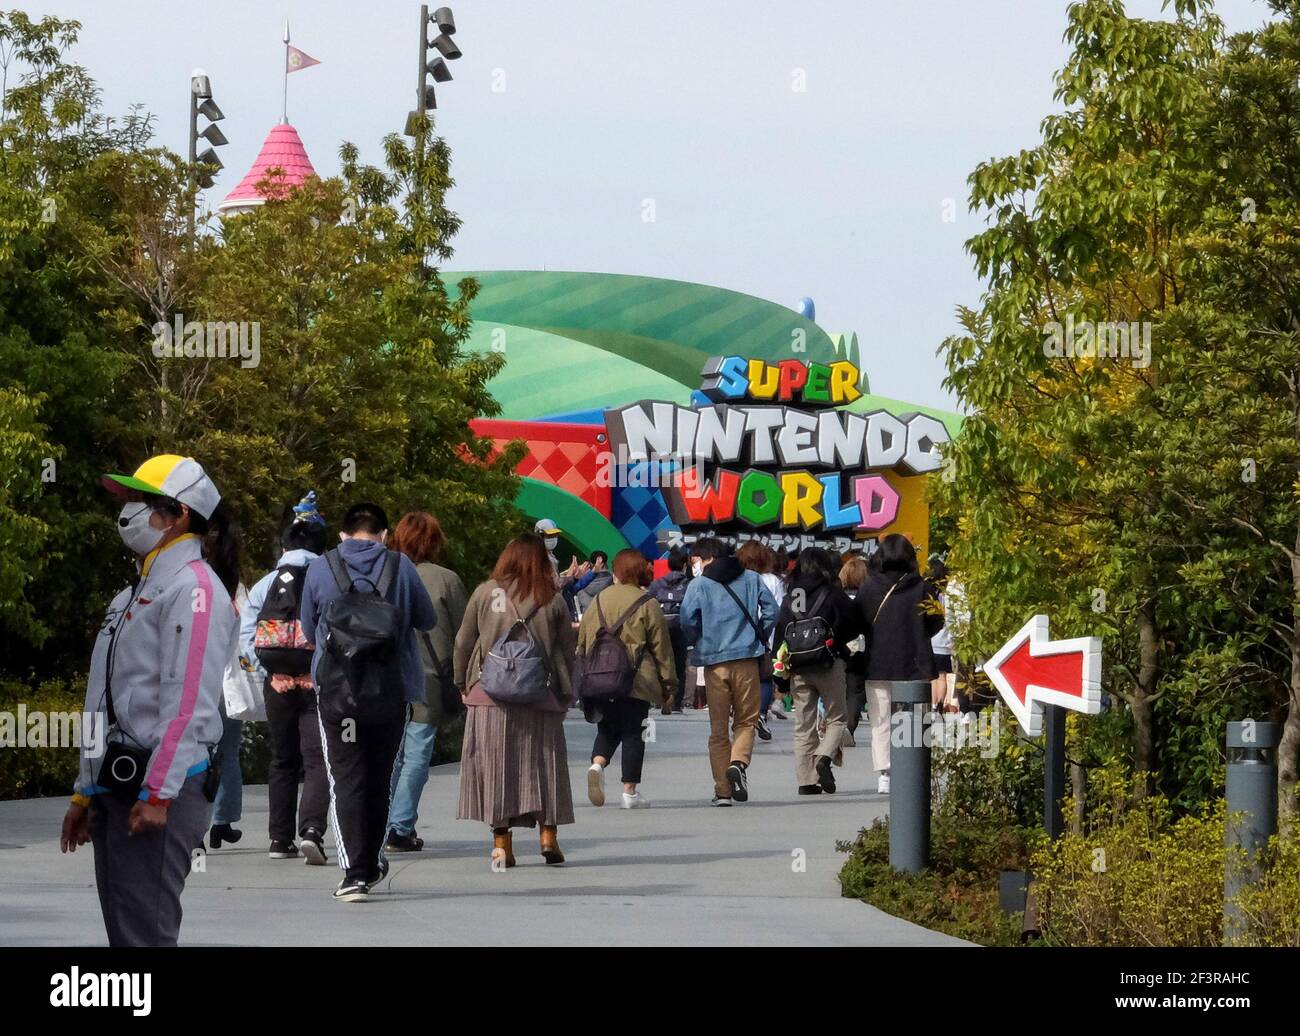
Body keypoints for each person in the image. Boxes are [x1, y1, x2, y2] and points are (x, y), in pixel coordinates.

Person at [61, 455, 240, 947]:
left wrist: (158, 793)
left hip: (160, 786)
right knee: (126, 930)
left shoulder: (195, 590)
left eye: (142, 500)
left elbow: (188, 703)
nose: (130, 511)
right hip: (116, 784)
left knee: (146, 934)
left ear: (179, 513)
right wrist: (85, 789)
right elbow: (100, 698)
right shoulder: (134, 593)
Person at [299, 502, 435, 902]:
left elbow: (309, 628)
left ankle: (354, 873)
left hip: (339, 696)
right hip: (390, 693)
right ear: (385, 534)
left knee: (346, 779)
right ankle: (369, 862)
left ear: (343, 535)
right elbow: (426, 620)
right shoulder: (402, 566)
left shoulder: (321, 567)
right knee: (379, 780)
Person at [454, 532, 577, 866]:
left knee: (496, 769)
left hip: (489, 694)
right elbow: (567, 651)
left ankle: (501, 845)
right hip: (541, 694)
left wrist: (462, 682)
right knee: (545, 767)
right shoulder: (551, 597)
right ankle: (548, 837)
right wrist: (567, 693)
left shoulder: (485, 592)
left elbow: (464, 641)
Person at [239, 491, 330, 863]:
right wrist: (316, 675)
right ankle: (311, 830)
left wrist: (270, 673)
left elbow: (245, 640)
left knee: (282, 759)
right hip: (314, 684)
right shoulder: (327, 579)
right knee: (317, 760)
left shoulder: (265, 583)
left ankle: (279, 840)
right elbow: (335, 633)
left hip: (276, 683)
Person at [384, 511, 468, 853]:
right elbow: (465, 634)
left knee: (389, 754)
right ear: (434, 542)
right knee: (417, 753)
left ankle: (384, 821)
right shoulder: (446, 579)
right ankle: (399, 827)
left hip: (384, 678)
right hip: (429, 679)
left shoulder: (381, 574)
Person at [679, 537, 777, 806]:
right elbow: (772, 610)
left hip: (714, 662)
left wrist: (700, 638)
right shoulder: (751, 578)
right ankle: (738, 763)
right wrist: (760, 635)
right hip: (747, 658)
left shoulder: (698, 584)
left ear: (707, 558)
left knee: (718, 729)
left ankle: (722, 791)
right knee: (746, 720)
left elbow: (687, 619)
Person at [577, 549, 677, 809]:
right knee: (634, 732)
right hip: (636, 679)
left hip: (600, 677)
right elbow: (661, 649)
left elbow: (583, 642)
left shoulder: (599, 600)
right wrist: (669, 685)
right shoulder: (647, 602)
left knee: (607, 727)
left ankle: (597, 764)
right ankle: (629, 792)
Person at [854, 534, 944, 794]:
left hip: (878, 661)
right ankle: (912, 771)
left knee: (880, 720)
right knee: (913, 720)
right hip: (915, 662)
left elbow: (858, 620)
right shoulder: (921, 587)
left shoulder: (870, 587)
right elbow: (937, 621)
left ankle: (885, 773)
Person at [774, 548, 863, 795]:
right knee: (836, 718)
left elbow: (781, 631)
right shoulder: (832, 593)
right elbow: (853, 626)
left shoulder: (792, 595)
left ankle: (806, 781)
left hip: (798, 666)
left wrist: (779, 672)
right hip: (828, 663)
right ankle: (824, 756)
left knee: (804, 724)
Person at [736, 539, 784, 742]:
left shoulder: (736, 579)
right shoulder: (773, 581)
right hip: (766, 637)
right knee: (764, 678)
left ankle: (741, 714)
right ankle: (761, 714)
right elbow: (777, 609)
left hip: (739, 636)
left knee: (741, 678)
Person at [647, 546, 692, 713]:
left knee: (661, 663)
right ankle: (677, 703)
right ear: (684, 564)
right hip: (681, 629)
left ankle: (662, 698)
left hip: (661, 628)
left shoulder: (657, 584)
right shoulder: (690, 585)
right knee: (680, 666)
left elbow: (649, 606)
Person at [839, 554, 870, 750]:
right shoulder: (866, 597)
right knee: (855, 690)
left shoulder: (838, 596)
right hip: (860, 647)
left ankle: (833, 725)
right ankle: (849, 727)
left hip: (839, 647)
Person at [928, 556, 957, 713]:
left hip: (931, 639)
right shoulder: (949, 593)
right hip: (945, 640)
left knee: (932, 677)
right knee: (942, 676)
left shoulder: (929, 592)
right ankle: (940, 704)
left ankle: (932, 706)